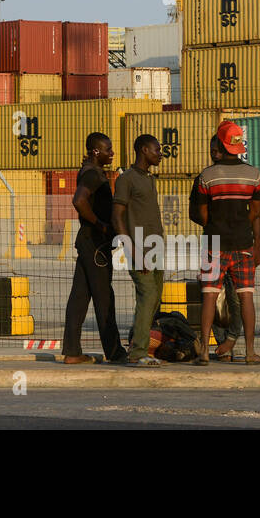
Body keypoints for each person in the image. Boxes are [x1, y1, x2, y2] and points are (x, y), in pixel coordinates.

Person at [190, 120, 260, 365]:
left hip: (214, 243)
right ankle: (251, 352)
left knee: (209, 297)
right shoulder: (254, 174)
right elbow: (255, 211)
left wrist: (217, 224)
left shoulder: (207, 176)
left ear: (220, 144)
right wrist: (241, 224)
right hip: (243, 243)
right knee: (246, 298)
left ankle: (203, 352)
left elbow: (201, 214)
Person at [62, 132, 126, 364]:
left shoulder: (91, 171)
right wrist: (101, 224)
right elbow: (79, 200)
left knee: (79, 297)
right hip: (95, 243)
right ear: (96, 152)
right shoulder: (92, 174)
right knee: (104, 298)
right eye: (108, 149)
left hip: (88, 242)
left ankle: (71, 352)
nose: (112, 153)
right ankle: (116, 352)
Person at [113, 134, 165, 367]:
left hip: (156, 247)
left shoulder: (149, 178)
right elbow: (118, 215)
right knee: (148, 295)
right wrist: (130, 247)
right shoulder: (127, 179)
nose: (160, 153)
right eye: (156, 150)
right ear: (144, 150)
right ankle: (137, 353)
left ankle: (139, 345)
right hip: (138, 249)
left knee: (154, 300)